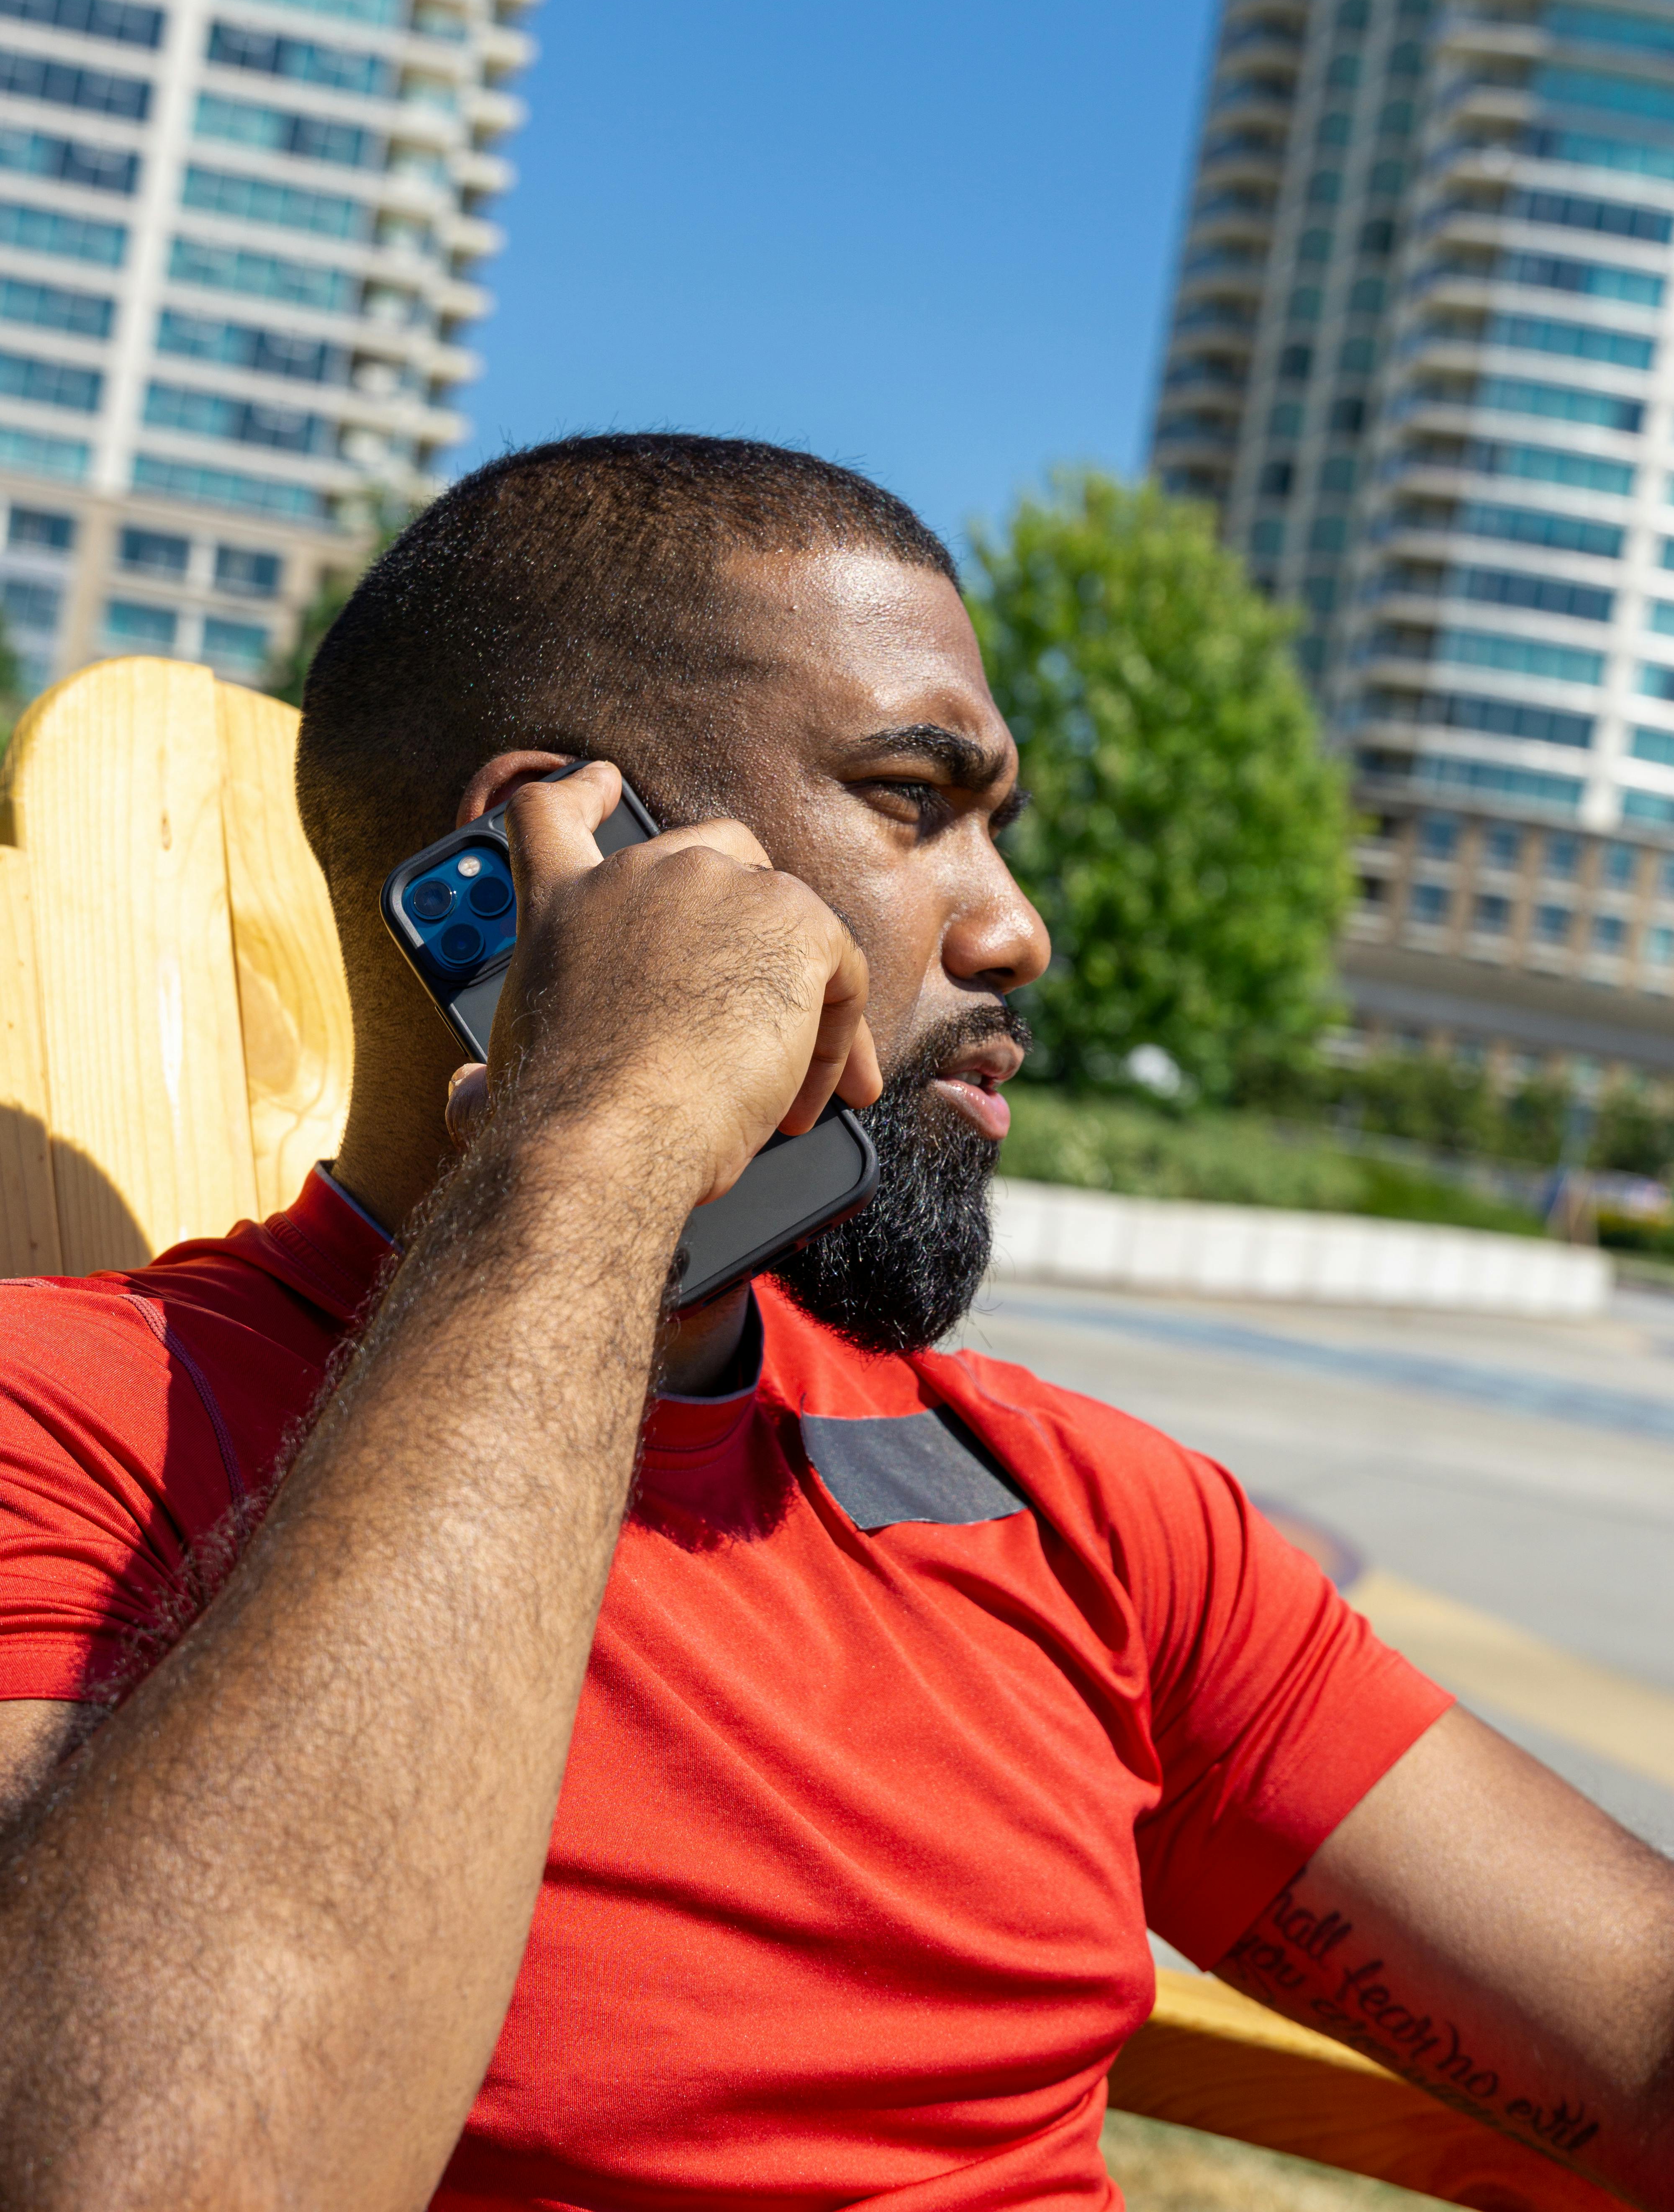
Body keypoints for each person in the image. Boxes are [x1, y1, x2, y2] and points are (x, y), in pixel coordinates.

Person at [0, 434, 1668, 2212]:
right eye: (910, 798)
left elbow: (1625, 2013)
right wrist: (597, 1143)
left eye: (995, 831)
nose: (1016, 929)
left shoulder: (1085, 1519)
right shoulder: (73, 1433)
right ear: (550, 854)